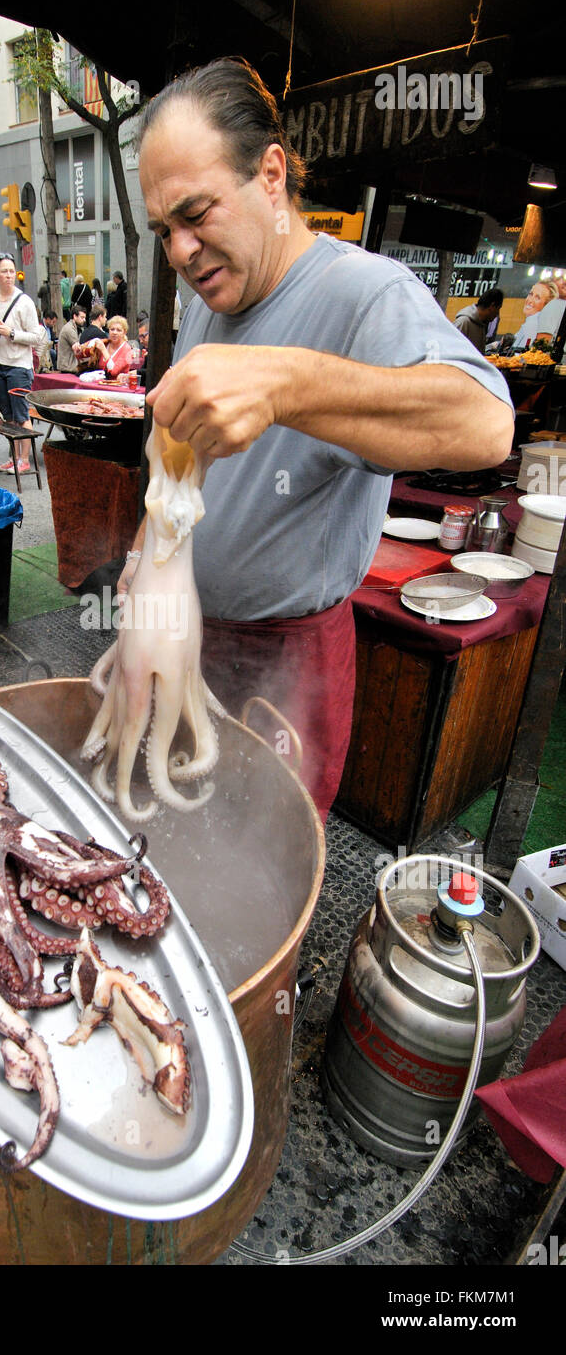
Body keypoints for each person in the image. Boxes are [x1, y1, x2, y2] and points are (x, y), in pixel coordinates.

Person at [124, 57, 513, 820]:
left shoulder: (364, 292)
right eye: (162, 229)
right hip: (186, 636)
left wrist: (288, 384)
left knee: (259, 881)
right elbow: (179, 467)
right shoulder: (210, 293)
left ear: (270, 174)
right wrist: (143, 577)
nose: (179, 250)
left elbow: (484, 423)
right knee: (166, 849)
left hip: (282, 661)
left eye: (195, 213)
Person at [0, 252, 44, 474]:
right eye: (4, 271)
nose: (9, 276)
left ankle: (24, 459)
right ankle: (13, 457)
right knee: (8, 418)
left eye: (12, 271)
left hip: (19, 366)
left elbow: (37, 337)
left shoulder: (24, 301)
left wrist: (11, 333)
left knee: (21, 415)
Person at [512, 279, 565, 349]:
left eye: (537, 297)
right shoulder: (530, 323)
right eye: (531, 294)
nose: (530, 300)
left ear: (546, 306)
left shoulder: (532, 324)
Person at [454, 288, 503, 353]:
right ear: (492, 306)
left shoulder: (482, 324)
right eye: (498, 309)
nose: (497, 314)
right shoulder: (463, 322)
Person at [87, 314, 133, 380]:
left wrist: (103, 350)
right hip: (101, 384)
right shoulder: (106, 343)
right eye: (112, 329)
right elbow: (84, 352)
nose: (114, 332)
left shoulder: (127, 349)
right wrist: (78, 347)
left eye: (118, 330)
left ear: (124, 332)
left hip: (118, 387)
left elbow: (114, 371)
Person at [57, 306, 87, 373]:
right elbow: (78, 348)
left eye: (84, 317)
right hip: (68, 367)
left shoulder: (76, 328)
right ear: (75, 316)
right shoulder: (69, 329)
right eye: (82, 317)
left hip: (70, 365)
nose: (84, 320)